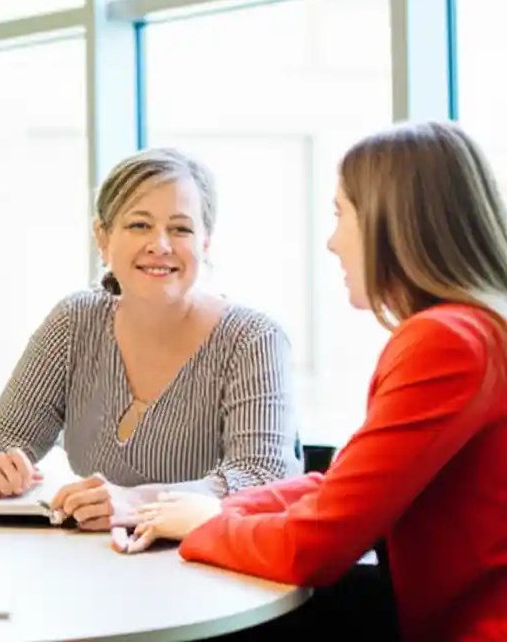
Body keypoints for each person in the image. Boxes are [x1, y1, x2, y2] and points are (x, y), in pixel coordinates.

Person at [118, 121, 507, 641]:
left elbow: (315, 547)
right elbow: (347, 487)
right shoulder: (481, 331)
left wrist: (206, 524)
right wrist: (202, 507)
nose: (331, 242)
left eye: (341, 213)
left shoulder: (446, 342)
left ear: (393, 223)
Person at [0, 148, 300, 530]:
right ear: (102, 237)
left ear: (205, 243)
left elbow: (264, 478)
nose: (160, 245)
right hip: (98, 567)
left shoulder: (252, 339)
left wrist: (135, 503)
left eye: (181, 229)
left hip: (215, 573)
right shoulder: (75, 322)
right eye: (139, 225)